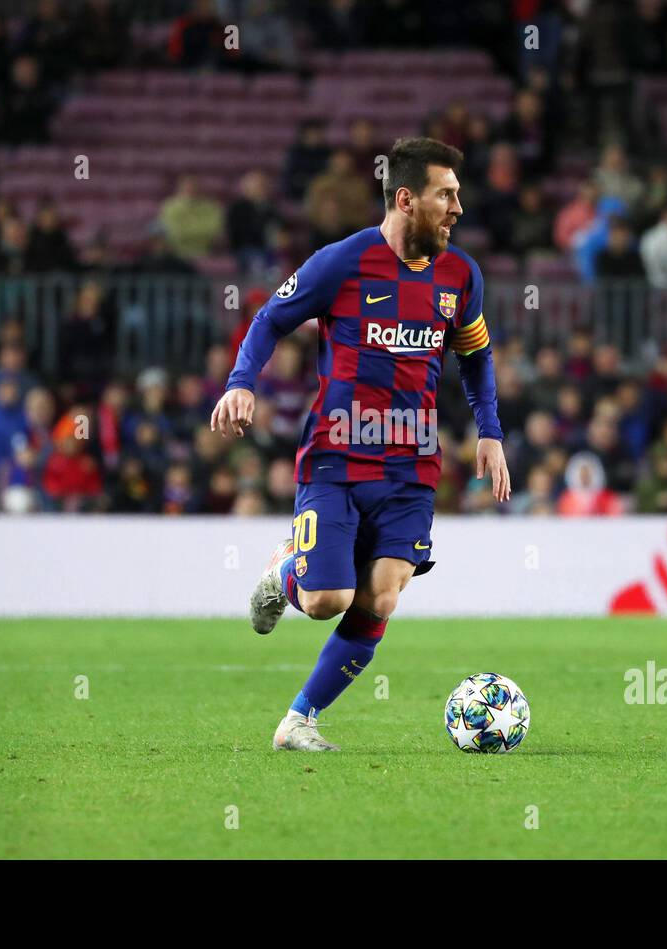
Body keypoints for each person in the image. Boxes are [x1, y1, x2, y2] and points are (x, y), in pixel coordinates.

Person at [210, 137, 510, 752]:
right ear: (406, 198)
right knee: (326, 599)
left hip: (412, 466)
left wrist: (491, 432)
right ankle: (284, 572)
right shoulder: (342, 262)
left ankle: (299, 721)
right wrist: (242, 383)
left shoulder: (461, 276)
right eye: (446, 195)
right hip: (336, 458)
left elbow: (476, 357)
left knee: (382, 593)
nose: (458, 207)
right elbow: (269, 318)